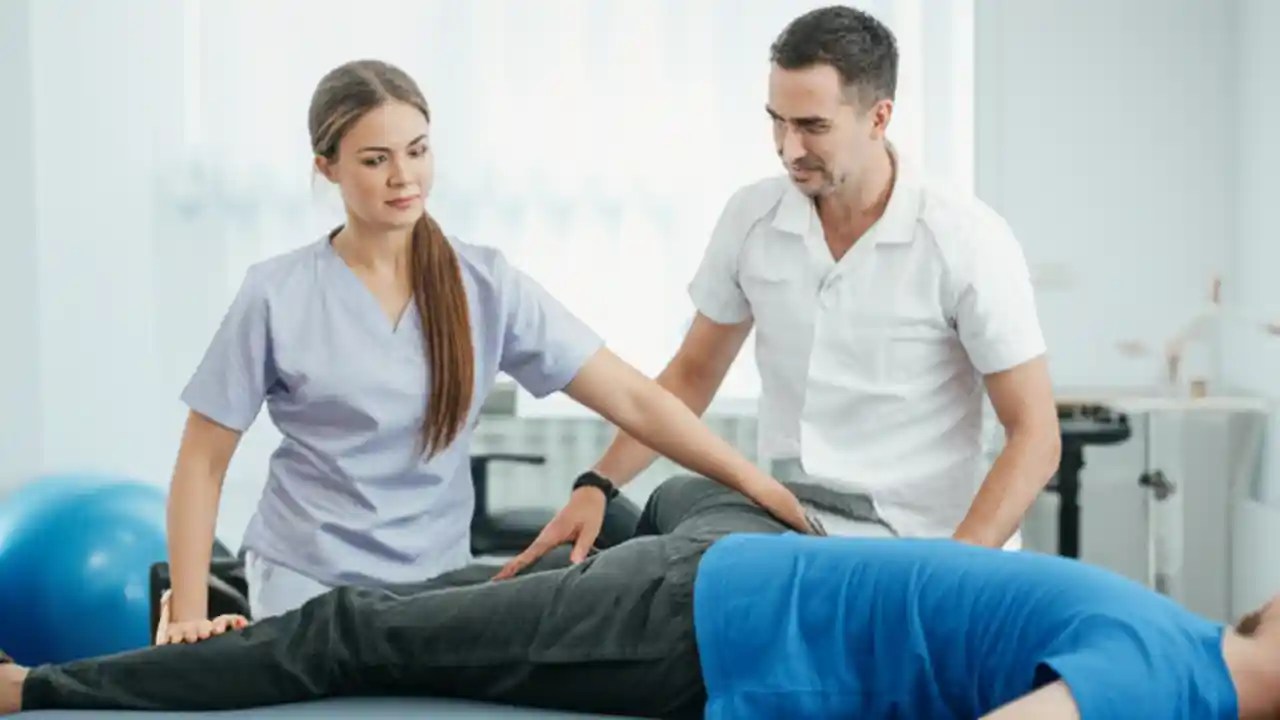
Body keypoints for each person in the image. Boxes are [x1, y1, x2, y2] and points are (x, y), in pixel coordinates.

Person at [160, 57, 814, 641]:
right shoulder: (275, 293)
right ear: (325, 166)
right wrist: (188, 613)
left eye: (417, 151)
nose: (403, 176)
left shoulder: (483, 285)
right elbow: (202, 460)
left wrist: (758, 485)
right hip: (304, 576)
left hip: (438, 584)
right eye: (374, 159)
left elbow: (634, 398)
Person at [498, 4, 1063, 578]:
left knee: (660, 571)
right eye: (777, 121)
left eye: (813, 127)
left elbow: (1036, 435)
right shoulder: (753, 217)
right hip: (788, 529)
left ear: (879, 117)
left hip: (916, 549)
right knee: (645, 537)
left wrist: (955, 570)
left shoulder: (965, 239)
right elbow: (691, 376)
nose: (789, 148)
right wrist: (598, 482)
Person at [2, 476, 1277, 719]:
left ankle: (600, 529)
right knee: (352, 637)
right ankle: (37, 693)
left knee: (428, 607)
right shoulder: (1178, 677)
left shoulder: (1167, 632)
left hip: (735, 567)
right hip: (702, 619)